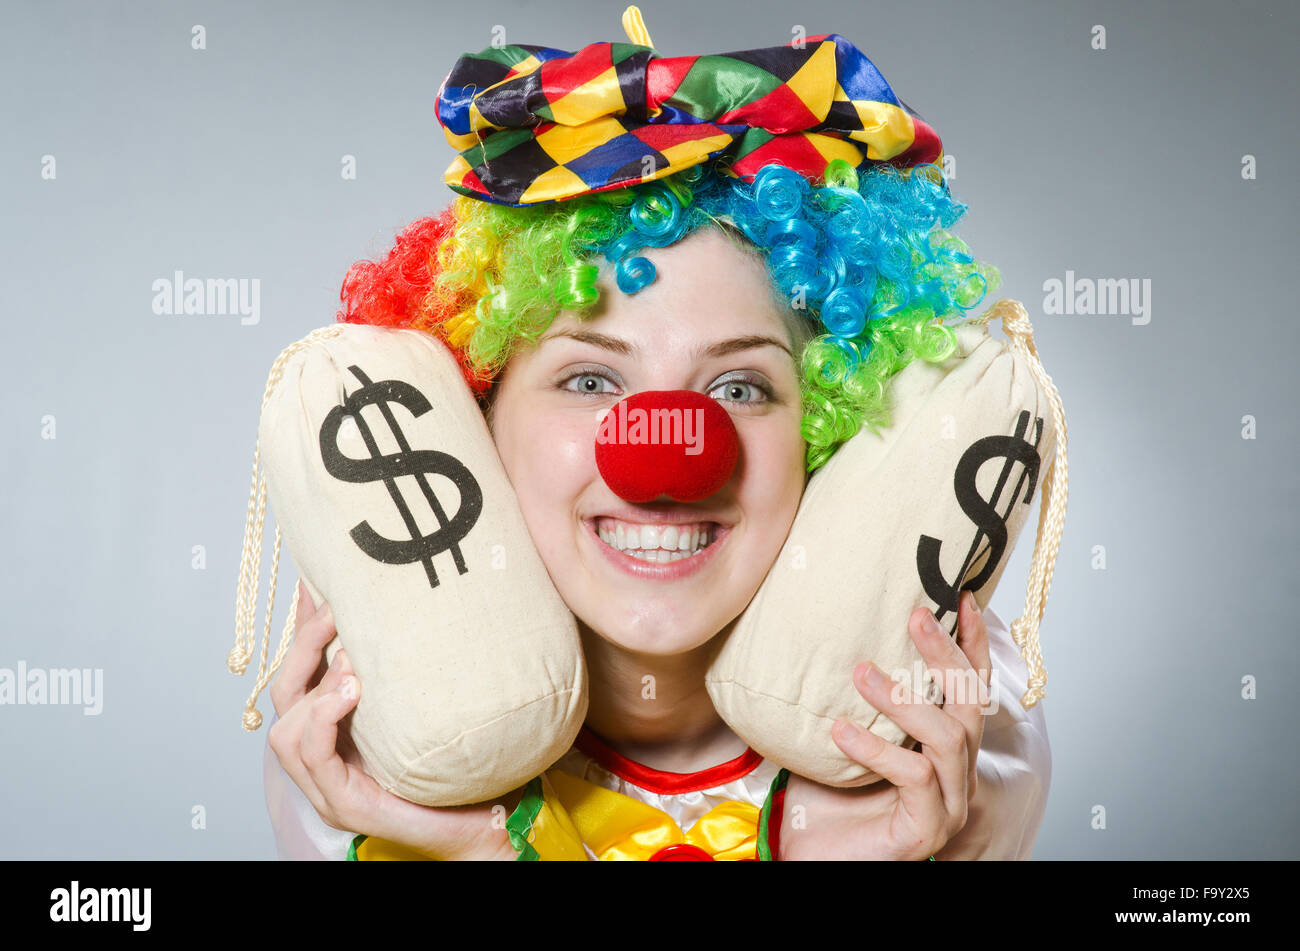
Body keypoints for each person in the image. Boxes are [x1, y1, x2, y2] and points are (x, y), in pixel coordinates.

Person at [262, 11, 1052, 860]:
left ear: (827, 430)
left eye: (739, 385)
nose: (669, 448)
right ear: (478, 415)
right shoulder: (357, 755)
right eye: (591, 380)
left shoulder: (953, 739)